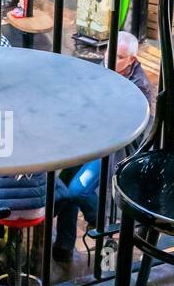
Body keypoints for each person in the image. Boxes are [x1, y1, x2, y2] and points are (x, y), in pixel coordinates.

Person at [52, 31, 154, 263]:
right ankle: (65, 243)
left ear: (132, 60)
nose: (110, 59)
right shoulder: (101, 68)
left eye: (118, 56)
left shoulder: (139, 87)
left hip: (111, 147)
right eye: (109, 52)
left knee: (78, 189)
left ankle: (103, 222)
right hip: (87, 140)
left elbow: (127, 126)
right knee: (65, 186)